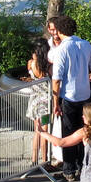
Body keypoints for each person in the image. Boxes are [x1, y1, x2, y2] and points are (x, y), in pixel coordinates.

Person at [50, 15, 91, 181]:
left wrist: (55, 102)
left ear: (60, 30)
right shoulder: (85, 44)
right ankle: (83, 164)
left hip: (68, 95)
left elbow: (56, 79)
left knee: (69, 132)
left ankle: (69, 169)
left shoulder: (61, 49)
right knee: (85, 131)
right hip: (86, 94)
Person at [26, 39, 52, 167]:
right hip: (45, 103)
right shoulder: (48, 66)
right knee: (44, 132)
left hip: (34, 101)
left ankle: (33, 159)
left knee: (36, 131)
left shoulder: (31, 63)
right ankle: (44, 161)